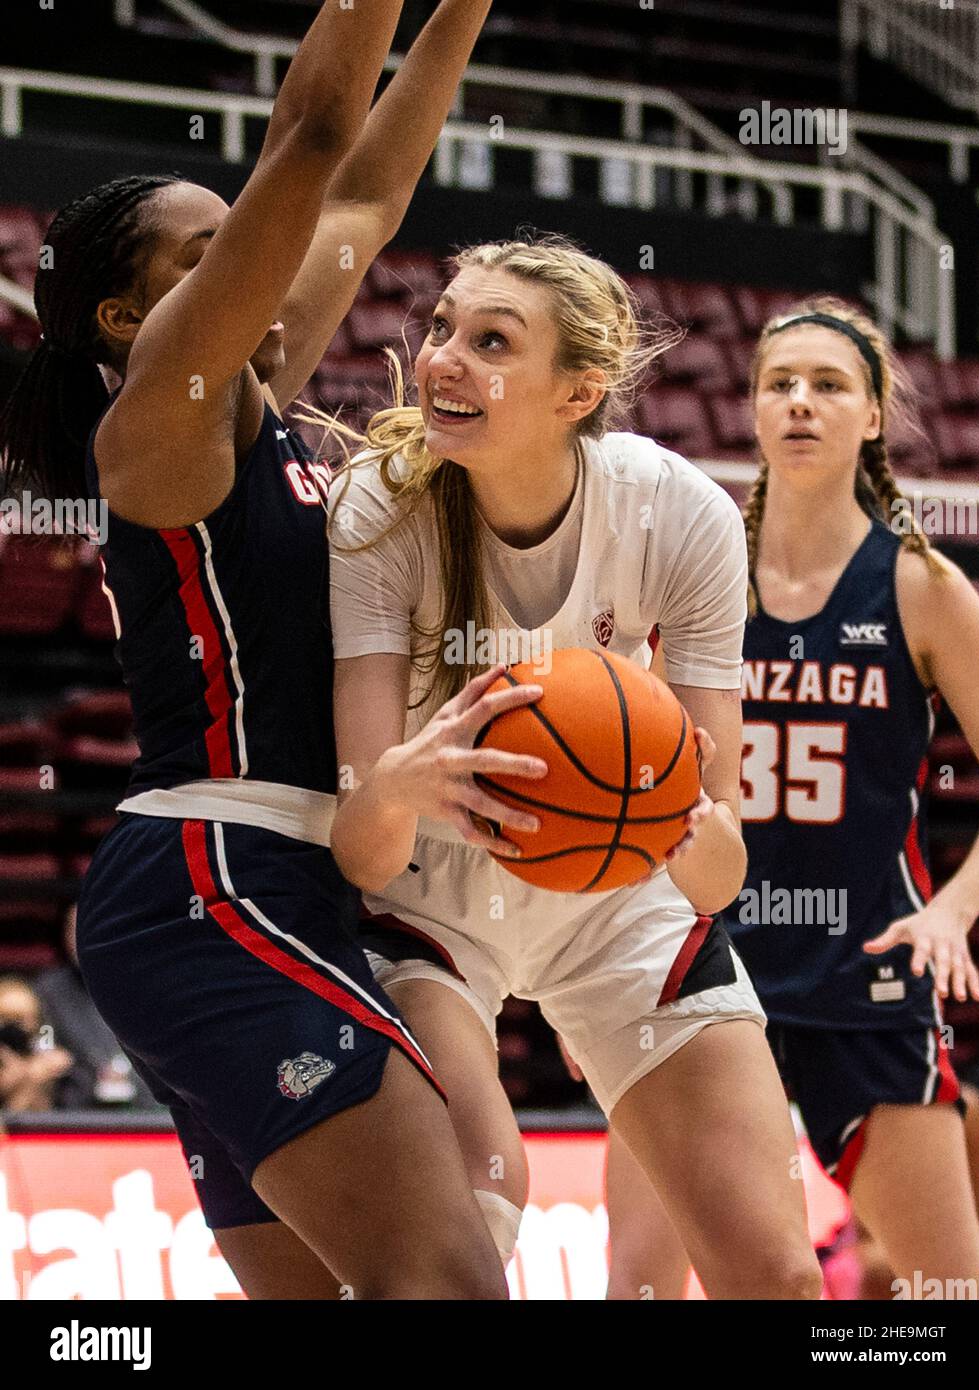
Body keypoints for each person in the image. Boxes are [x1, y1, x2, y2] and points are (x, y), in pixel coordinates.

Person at [0, 0, 508, 1300]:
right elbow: (316, 135)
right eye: (210, 255)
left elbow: (370, 188)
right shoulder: (155, 437)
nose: (260, 267)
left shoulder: (259, 414)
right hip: (216, 875)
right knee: (449, 1283)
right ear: (128, 319)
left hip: (266, 885)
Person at [326, 234, 823, 1299]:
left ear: (578, 391)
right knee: (479, 1216)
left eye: (491, 340)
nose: (442, 358)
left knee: (777, 1274)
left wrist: (706, 833)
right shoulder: (382, 506)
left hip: (620, 892)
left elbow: (716, 876)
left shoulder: (677, 509)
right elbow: (363, 848)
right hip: (434, 895)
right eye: (444, 327)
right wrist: (402, 786)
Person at [599, 297, 979, 1298]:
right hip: (698, 957)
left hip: (864, 967)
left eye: (829, 385)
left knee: (951, 1293)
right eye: (781, 382)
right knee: (640, 1283)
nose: (801, 403)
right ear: (751, 407)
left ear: (872, 417)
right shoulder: (694, 568)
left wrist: (954, 908)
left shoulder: (920, 585)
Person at [34, 905, 161, 1108]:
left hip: (144, 1096)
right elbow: (44, 1036)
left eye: (85, 929)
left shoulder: (144, 982)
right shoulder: (50, 990)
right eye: (71, 930)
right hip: (77, 1097)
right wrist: (47, 1051)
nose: (78, 939)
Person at [0, 976, 73, 1114]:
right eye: (5, 1018)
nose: (13, 1027)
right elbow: (8, 1124)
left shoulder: (49, 1060)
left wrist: (37, 1078)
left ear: (36, 1022)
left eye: (21, 1019)